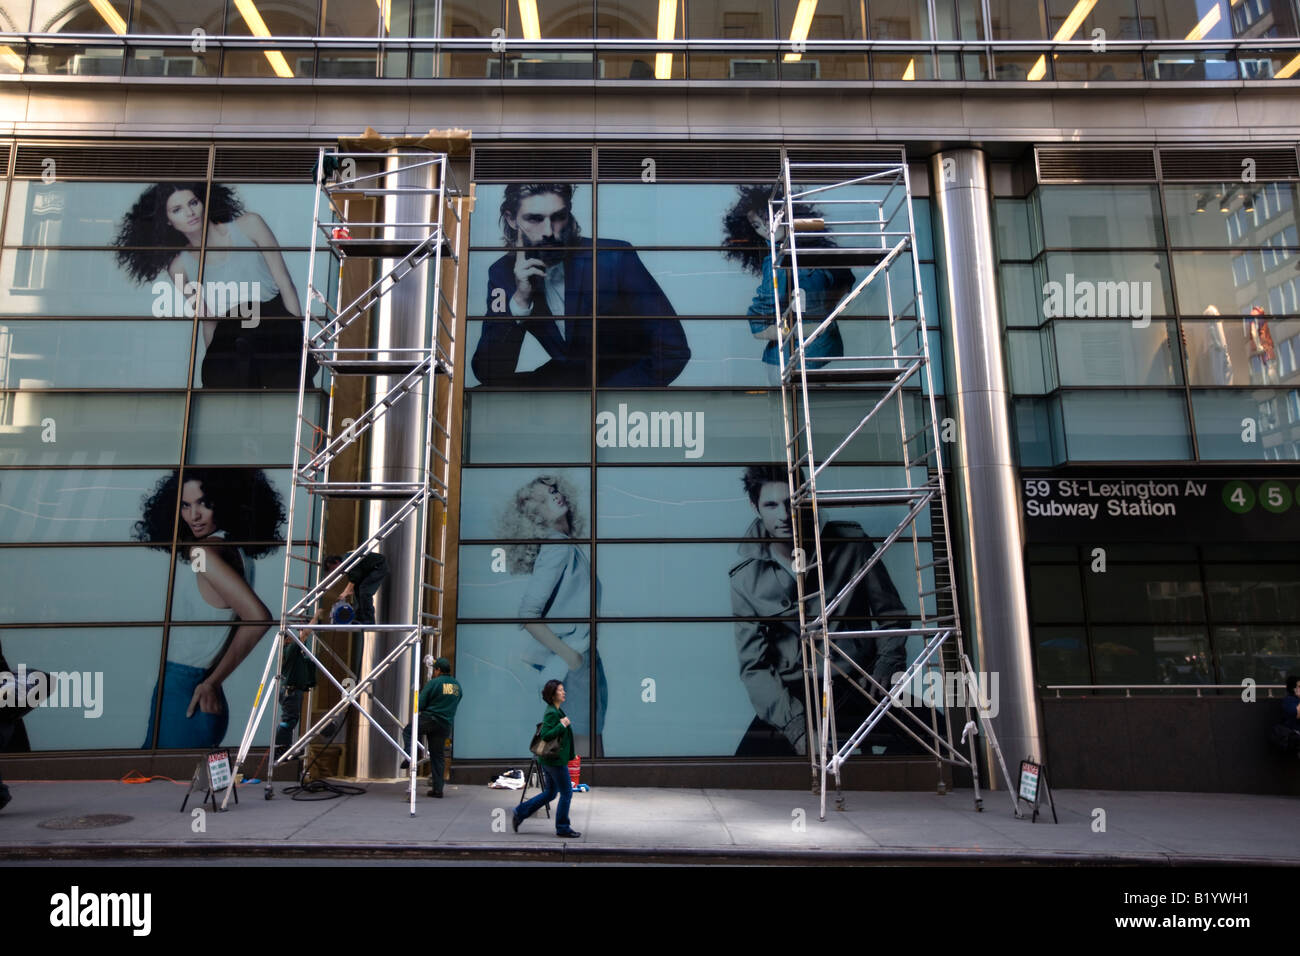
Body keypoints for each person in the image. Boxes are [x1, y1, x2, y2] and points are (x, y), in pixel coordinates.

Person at [729, 465, 910, 756]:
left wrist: (884, 669)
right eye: (771, 505)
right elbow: (755, 667)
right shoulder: (745, 579)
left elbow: (893, 617)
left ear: (805, 500)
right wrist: (796, 726)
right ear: (755, 507)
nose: (785, 515)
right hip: (794, 695)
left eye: (792, 502)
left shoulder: (851, 544)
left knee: (932, 738)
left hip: (857, 682)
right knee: (747, 767)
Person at [471, 183, 690, 387]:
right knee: (482, 394)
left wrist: (609, 401)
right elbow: (489, 373)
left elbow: (673, 350)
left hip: (619, 389)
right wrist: (520, 301)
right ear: (511, 219)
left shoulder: (614, 258)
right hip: (566, 391)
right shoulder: (503, 274)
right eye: (534, 219)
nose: (549, 231)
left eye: (558, 217)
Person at [135, 468, 285, 749]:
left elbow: (258, 618)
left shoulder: (204, 553)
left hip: (186, 692)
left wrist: (212, 682)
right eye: (185, 505)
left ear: (226, 505)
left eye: (205, 503)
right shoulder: (229, 551)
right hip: (191, 689)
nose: (194, 515)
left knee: (160, 782)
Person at [114, 182, 316, 389]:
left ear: (203, 201)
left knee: (288, 391)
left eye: (193, 202)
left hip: (273, 321)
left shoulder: (249, 225)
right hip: (231, 334)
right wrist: (213, 362)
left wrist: (299, 334)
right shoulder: (179, 267)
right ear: (167, 221)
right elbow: (207, 319)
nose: (190, 212)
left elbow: (285, 284)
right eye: (177, 210)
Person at [500, 474, 606, 756]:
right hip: (575, 665)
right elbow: (528, 614)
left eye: (554, 490)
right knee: (584, 751)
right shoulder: (558, 546)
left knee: (586, 744)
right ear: (536, 515)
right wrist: (571, 656)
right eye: (545, 499)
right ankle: (568, 791)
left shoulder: (568, 546)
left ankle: (568, 789)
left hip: (582, 662)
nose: (555, 496)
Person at [722, 185, 852, 384]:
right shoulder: (776, 263)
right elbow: (759, 323)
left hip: (824, 354)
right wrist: (815, 328)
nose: (765, 229)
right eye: (757, 226)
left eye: (768, 219)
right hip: (790, 361)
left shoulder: (816, 251)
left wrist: (824, 321)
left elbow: (846, 283)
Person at [512, 679, 580, 838]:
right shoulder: (552, 712)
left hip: (551, 761)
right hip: (554, 762)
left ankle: (520, 812)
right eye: (561, 690)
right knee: (567, 793)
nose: (564, 692)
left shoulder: (556, 710)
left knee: (550, 793)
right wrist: (561, 725)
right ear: (553, 694)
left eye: (564, 689)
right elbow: (546, 735)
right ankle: (563, 827)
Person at [416, 657, 462, 797]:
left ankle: (408, 756)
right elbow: (458, 699)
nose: (434, 672)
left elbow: (420, 703)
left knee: (409, 731)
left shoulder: (434, 683)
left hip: (430, 719)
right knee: (438, 756)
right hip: (445, 724)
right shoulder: (456, 685)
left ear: (438, 670)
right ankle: (438, 789)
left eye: (435, 669)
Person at [324, 551, 388, 626]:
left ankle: (369, 620)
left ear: (337, 562)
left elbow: (355, 576)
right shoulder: (345, 562)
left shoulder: (347, 561)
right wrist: (349, 589)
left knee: (365, 591)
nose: (335, 571)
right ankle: (360, 617)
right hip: (371, 569)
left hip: (378, 567)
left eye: (333, 568)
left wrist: (346, 591)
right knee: (358, 590)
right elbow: (355, 578)